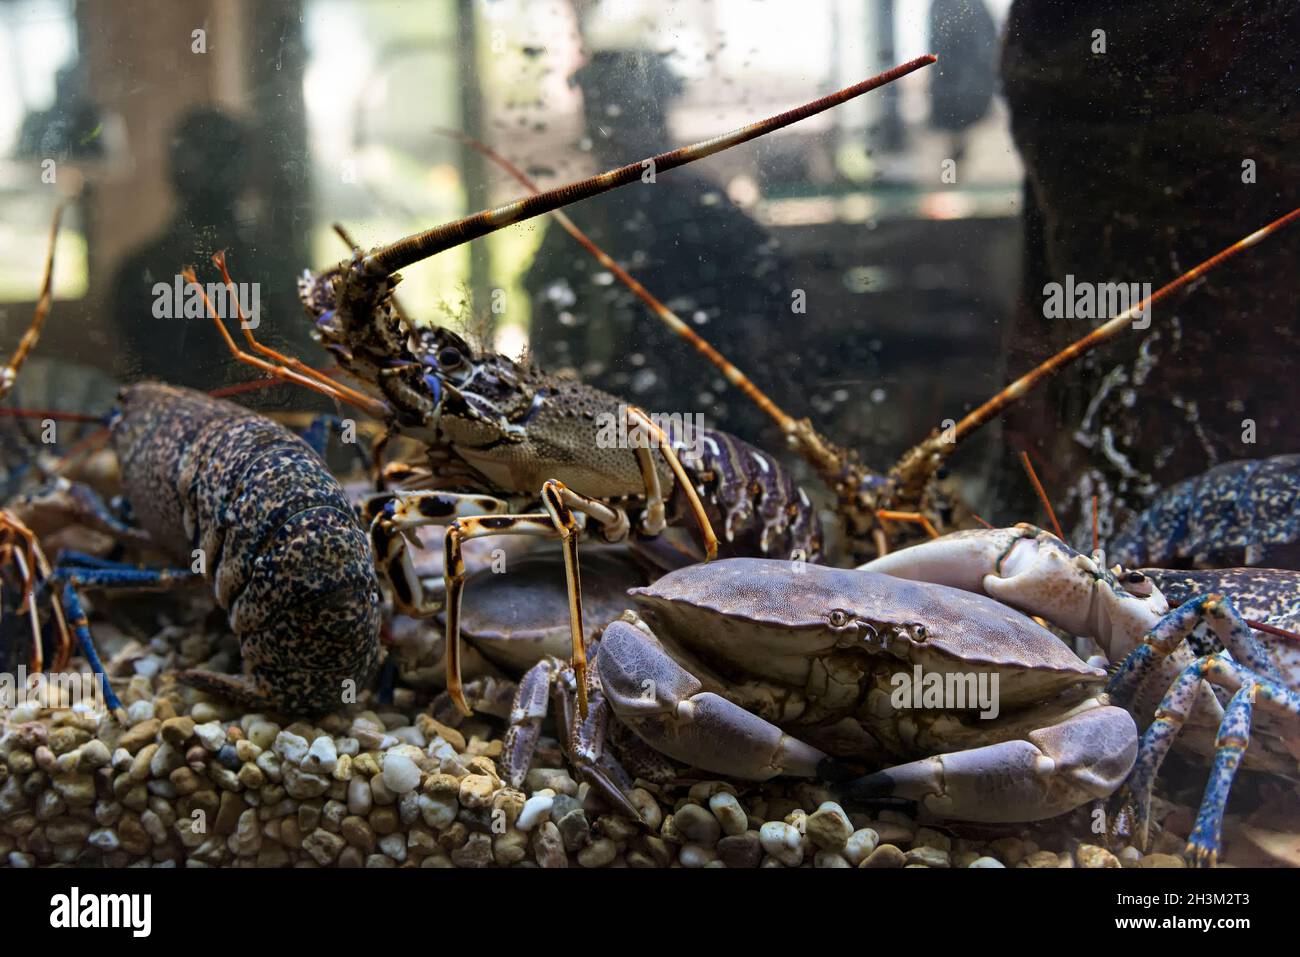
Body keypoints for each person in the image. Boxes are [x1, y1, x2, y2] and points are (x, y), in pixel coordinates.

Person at [523, 50, 803, 446]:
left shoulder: (701, 205)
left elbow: (774, 300)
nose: (615, 130)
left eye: (627, 113)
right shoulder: (578, 216)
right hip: (607, 426)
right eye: (603, 114)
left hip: (713, 430)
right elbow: (544, 318)